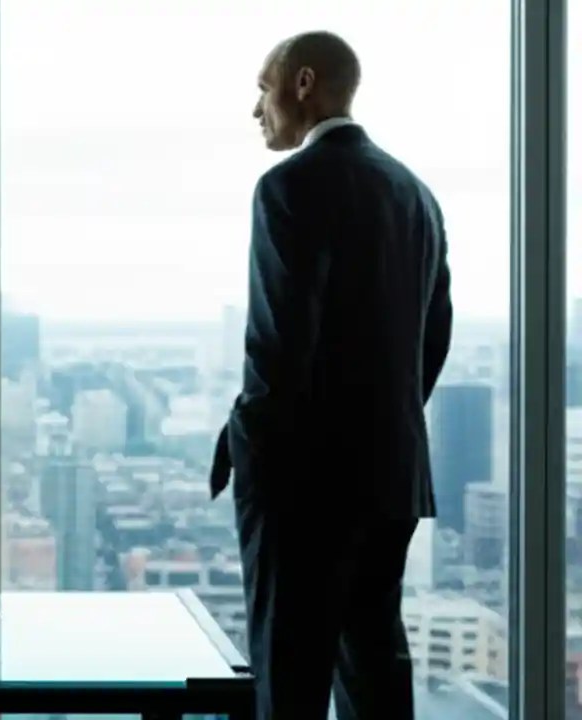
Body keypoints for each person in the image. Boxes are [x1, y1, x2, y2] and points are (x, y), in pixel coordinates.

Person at [208, 30, 453, 719]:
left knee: (289, 675)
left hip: (303, 486)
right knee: (375, 665)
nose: (257, 108)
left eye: (263, 87)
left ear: (304, 83)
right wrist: (385, 425)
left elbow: (278, 346)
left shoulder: (287, 187)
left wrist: (245, 444)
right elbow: (431, 340)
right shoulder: (414, 192)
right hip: (392, 475)